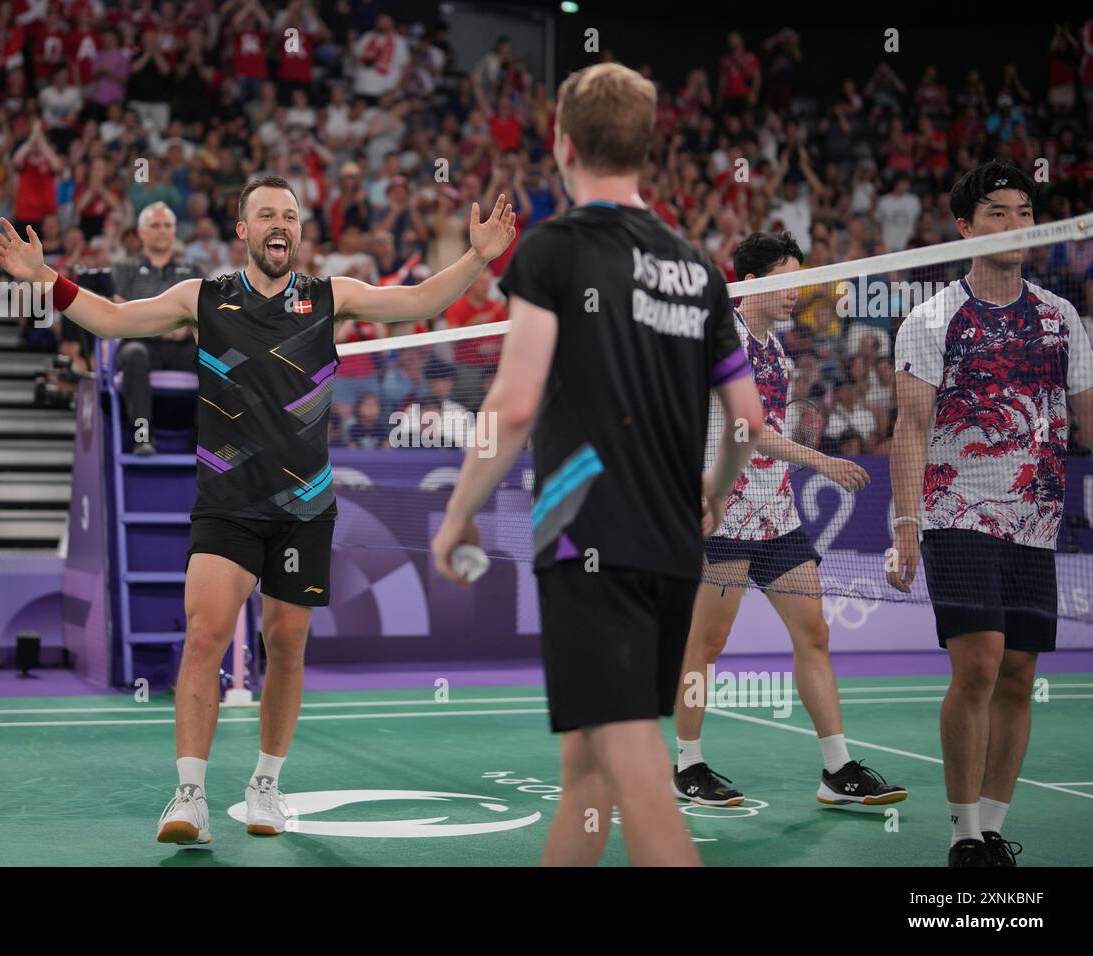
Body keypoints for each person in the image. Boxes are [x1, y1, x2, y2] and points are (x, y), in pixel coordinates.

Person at [0, 173, 514, 847]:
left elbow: (415, 300)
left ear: (298, 231)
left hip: (304, 506)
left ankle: (266, 784)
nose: (279, 225)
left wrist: (476, 259)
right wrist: (45, 279)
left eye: (289, 217)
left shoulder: (331, 298)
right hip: (227, 503)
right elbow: (114, 320)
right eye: (265, 214)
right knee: (205, 635)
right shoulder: (203, 298)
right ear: (242, 230)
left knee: (286, 645)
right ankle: (190, 795)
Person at [431, 62, 764, 867]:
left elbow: (511, 407)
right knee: (589, 774)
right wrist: (709, 497)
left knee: (639, 777)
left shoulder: (553, 252)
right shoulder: (697, 270)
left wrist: (458, 513)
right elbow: (748, 423)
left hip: (591, 551)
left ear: (562, 143)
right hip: (673, 551)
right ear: (646, 148)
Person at [888, 160, 1093, 867]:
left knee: (1019, 669)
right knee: (978, 663)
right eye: (998, 212)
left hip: (1036, 520)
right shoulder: (931, 319)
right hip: (957, 512)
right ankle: (964, 833)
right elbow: (911, 429)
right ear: (965, 227)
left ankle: (995, 828)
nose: (1015, 223)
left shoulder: (1062, 318)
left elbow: (1088, 424)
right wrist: (906, 526)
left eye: (1024, 211)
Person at [674, 231, 905, 810]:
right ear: (750, 284)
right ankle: (688, 763)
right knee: (706, 644)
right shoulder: (718, 339)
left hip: (776, 517)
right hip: (723, 513)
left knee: (815, 635)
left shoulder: (775, 350)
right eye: (787, 281)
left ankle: (836, 768)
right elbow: (748, 431)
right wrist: (823, 460)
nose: (796, 293)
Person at [111, 201, 202, 455]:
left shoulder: (193, 269)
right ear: (141, 232)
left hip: (183, 345)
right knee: (133, 354)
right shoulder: (124, 268)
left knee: (213, 359)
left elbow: (205, 308)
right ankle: (143, 437)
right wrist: (159, 327)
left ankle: (201, 439)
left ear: (175, 231)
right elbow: (117, 307)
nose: (162, 230)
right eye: (155, 225)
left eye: (167, 225)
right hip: (142, 344)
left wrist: (185, 327)